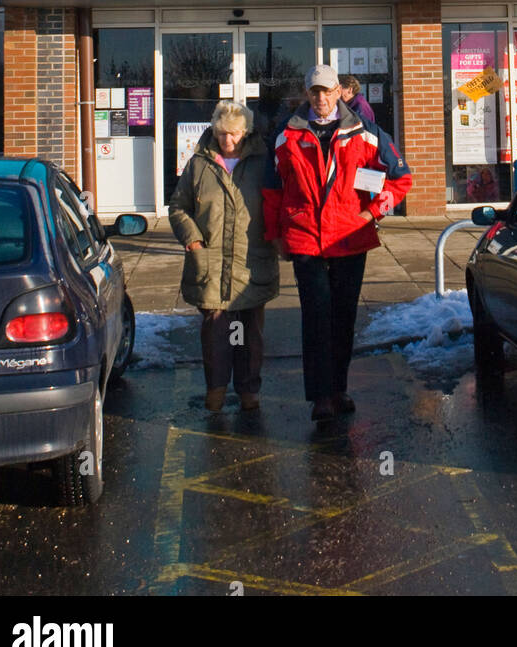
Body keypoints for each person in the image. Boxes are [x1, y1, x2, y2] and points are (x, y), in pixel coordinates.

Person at [263, 64, 412, 420]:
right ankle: (320, 397)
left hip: (350, 238)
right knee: (316, 319)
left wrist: (373, 213)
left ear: (339, 93)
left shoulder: (367, 133)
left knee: (343, 318)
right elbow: (272, 191)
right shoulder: (286, 136)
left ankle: (339, 388)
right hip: (305, 240)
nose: (321, 98)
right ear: (307, 94)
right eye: (314, 91)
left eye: (327, 91)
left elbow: (401, 179)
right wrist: (275, 235)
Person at [169, 101, 279, 412]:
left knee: (248, 336)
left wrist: (277, 237)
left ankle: (248, 391)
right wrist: (193, 241)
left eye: (232, 134)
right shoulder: (199, 164)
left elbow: (277, 201)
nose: (226, 141)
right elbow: (179, 207)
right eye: (221, 134)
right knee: (217, 335)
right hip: (211, 264)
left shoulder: (264, 161)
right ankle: (216, 390)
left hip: (251, 261)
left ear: (246, 132)